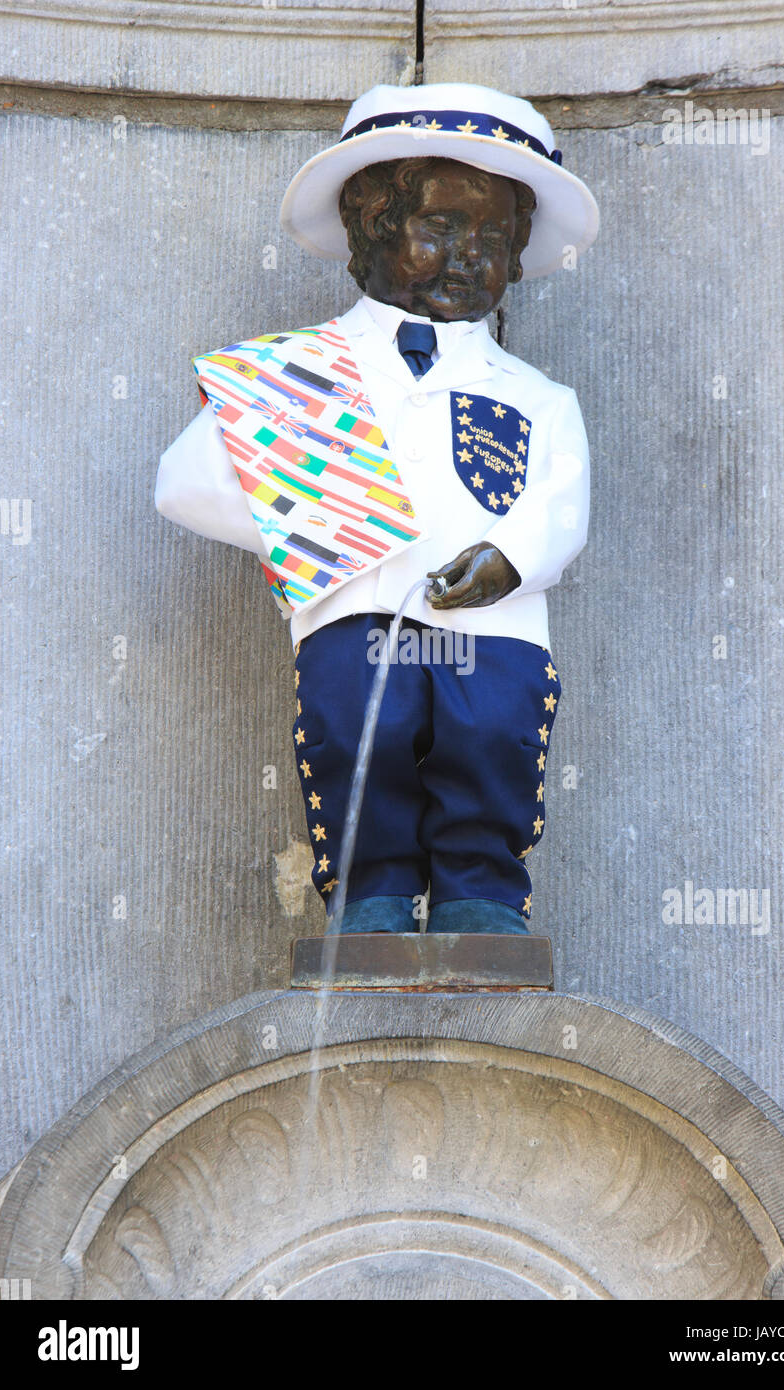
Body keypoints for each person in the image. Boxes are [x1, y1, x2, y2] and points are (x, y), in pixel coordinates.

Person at [155, 82, 598, 936]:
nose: (468, 255)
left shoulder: (540, 397)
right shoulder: (293, 372)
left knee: (493, 742)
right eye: (439, 228)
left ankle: (481, 899)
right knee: (357, 737)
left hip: (496, 628)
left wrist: (509, 558)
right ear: (372, 228)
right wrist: (306, 527)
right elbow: (184, 481)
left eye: (494, 237)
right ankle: (373, 895)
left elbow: (561, 501)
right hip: (352, 615)